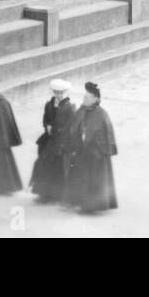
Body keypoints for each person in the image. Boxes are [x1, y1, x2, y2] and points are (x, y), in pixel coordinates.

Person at [63, 82, 117, 213]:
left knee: (92, 179)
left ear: (95, 99)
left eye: (87, 97)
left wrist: (93, 141)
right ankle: (77, 201)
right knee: (78, 176)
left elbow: (107, 135)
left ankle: (92, 205)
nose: (84, 99)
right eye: (84, 97)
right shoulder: (81, 110)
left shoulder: (102, 114)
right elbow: (72, 127)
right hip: (81, 150)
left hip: (95, 154)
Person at [29, 79, 74, 203]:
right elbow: (45, 119)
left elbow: (70, 126)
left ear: (65, 93)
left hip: (61, 142)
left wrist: (55, 129)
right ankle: (44, 192)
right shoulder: (49, 105)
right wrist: (47, 126)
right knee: (44, 164)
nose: (58, 95)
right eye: (56, 92)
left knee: (58, 168)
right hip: (50, 139)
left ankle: (57, 194)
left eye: (61, 93)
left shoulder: (69, 107)